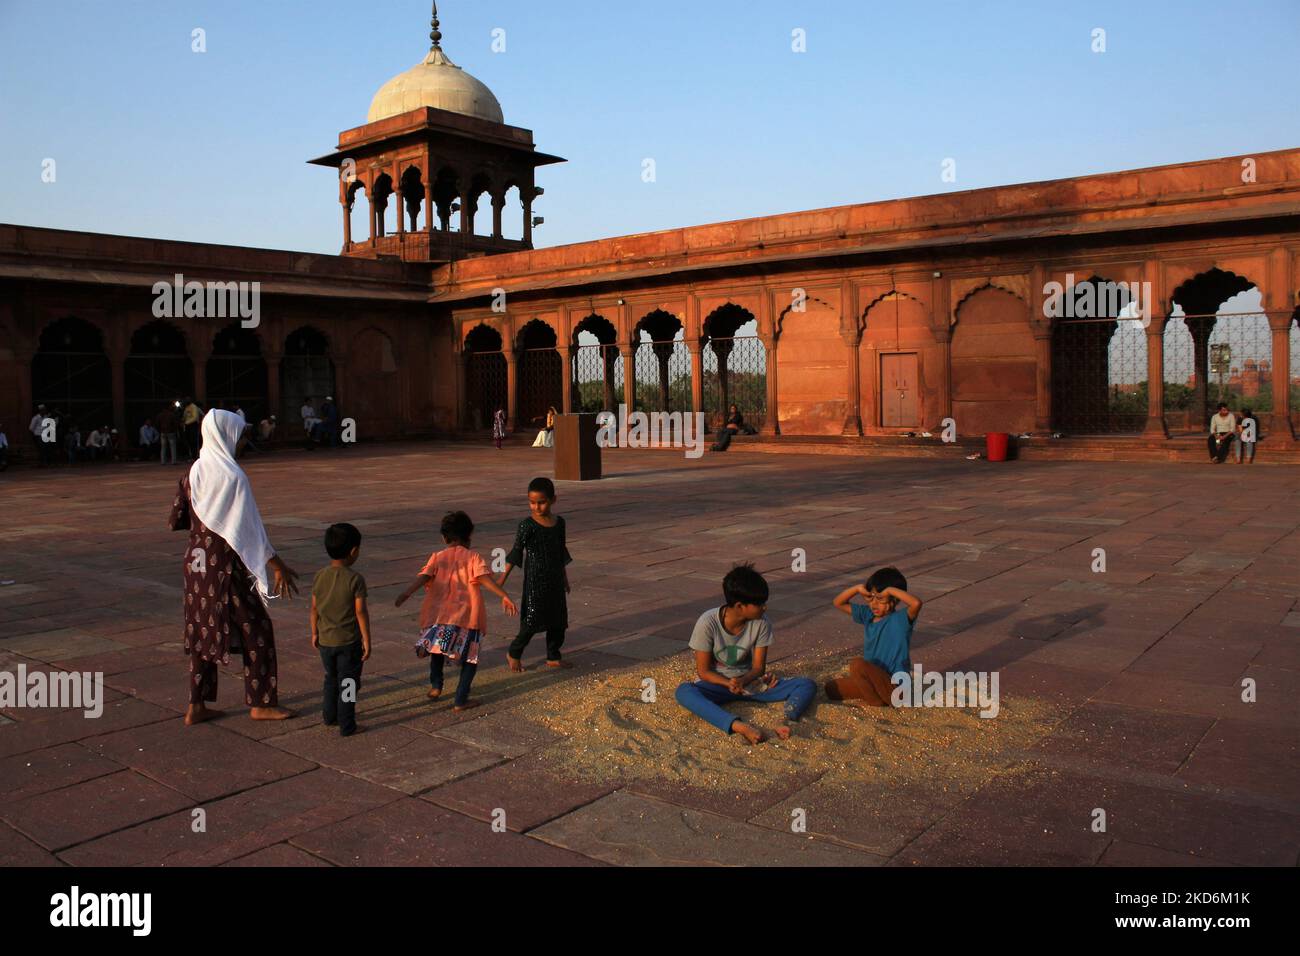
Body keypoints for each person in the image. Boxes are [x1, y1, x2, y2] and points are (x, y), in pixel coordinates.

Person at [168, 408, 298, 725]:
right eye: (240, 436)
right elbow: (249, 530)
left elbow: (177, 519)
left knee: (202, 633)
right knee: (258, 631)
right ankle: (261, 702)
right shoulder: (233, 476)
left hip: (197, 566)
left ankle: (196, 705)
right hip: (225, 567)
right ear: (227, 436)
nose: (242, 443)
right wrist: (277, 564)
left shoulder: (193, 472)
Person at [674, 563, 817, 744]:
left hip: (750, 684)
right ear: (740, 606)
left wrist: (744, 680)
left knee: (806, 684)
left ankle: (788, 718)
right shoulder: (707, 622)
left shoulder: (761, 623)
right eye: (759, 604)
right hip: (718, 685)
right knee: (684, 692)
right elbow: (703, 671)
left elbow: (758, 667)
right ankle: (737, 726)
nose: (764, 608)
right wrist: (729, 683)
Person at [395, 511, 517, 711]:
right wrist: (504, 595)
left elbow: (424, 577)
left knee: (437, 651)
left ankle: (436, 686)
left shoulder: (437, 557)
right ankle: (460, 699)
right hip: (466, 618)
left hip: (439, 616)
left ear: (444, 537)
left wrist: (407, 592)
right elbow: (485, 580)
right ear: (469, 536)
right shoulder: (473, 557)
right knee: (470, 658)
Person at [499, 477, 572, 671]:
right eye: (532, 502)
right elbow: (515, 552)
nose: (536, 507)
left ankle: (553, 655)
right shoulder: (527, 525)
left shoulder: (560, 523)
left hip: (555, 578)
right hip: (535, 580)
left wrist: (564, 579)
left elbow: (560, 550)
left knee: (558, 620)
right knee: (532, 619)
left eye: (541, 502)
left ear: (553, 499)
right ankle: (514, 651)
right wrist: (501, 580)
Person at [825, 567, 923, 707]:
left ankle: (875, 702)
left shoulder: (902, 619)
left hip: (896, 689)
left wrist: (889, 590)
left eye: (880, 599)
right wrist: (858, 588)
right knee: (831, 688)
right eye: (871, 598)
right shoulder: (868, 615)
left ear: (894, 600)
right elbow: (838, 602)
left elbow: (916, 603)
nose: (874, 604)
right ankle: (874, 695)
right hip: (873, 680)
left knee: (857, 665)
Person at [310, 523, 371, 736]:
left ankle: (330, 716)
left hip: (326, 641)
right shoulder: (355, 579)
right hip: (348, 642)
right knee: (349, 683)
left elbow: (314, 608)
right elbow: (360, 612)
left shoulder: (319, 576)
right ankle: (347, 724)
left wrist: (314, 632)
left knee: (331, 678)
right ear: (354, 551)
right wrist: (366, 640)